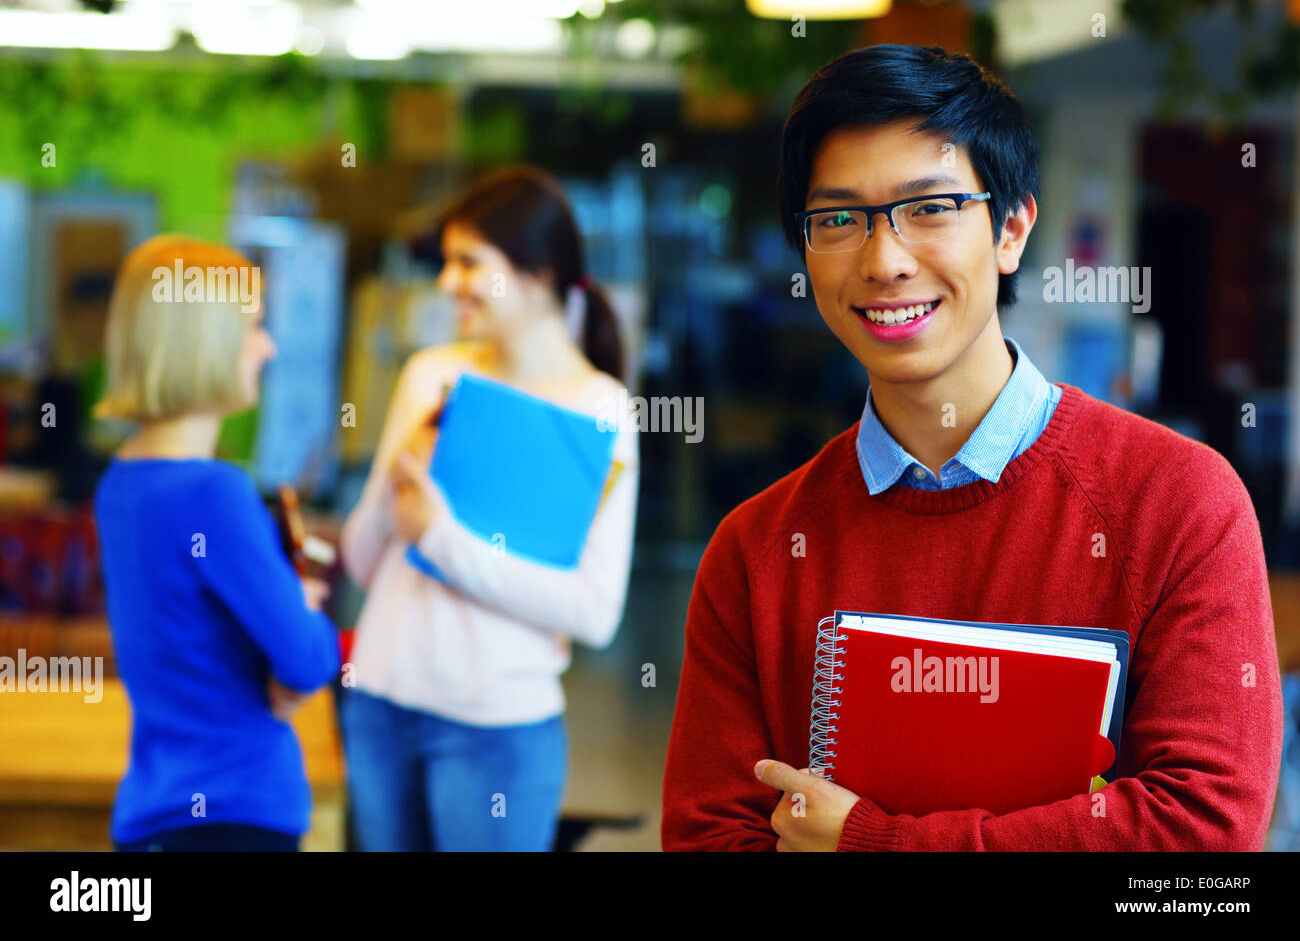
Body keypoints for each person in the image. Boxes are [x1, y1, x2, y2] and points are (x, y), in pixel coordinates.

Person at [661, 44, 1283, 851]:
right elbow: (708, 835)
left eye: (930, 209)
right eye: (838, 218)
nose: (884, 260)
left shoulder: (1180, 501)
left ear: (1012, 228)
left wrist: (872, 843)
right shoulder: (755, 550)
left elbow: (1203, 831)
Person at [339, 165, 639, 852]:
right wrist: (398, 475)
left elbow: (594, 613)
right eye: (445, 263)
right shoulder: (432, 374)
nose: (448, 284)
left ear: (537, 270)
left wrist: (442, 538)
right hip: (378, 706)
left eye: (469, 262)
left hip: (496, 727)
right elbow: (359, 560)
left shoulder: (598, 410)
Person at [94, 235, 341, 852]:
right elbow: (309, 661)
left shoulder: (120, 482)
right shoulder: (213, 494)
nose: (269, 346)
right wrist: (302, 605)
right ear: (203, 340)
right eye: (254, 325)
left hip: (154, 816)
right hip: (236, 816)